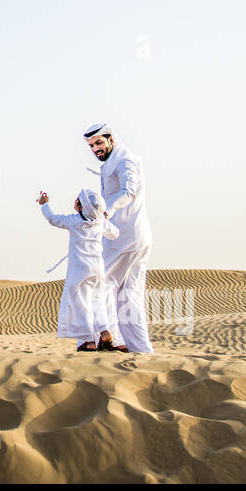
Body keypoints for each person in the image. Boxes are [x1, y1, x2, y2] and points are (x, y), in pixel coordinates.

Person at [81, 122, 154, 353]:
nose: (96, 149)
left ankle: (104, 340)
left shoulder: (124, 160)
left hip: (123, 236)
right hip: (136, 235)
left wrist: (107, 211)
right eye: (92, 146)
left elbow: (129, 191)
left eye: (99, 143)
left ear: (111, 139)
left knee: (97, 284)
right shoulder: (115, 161)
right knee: (129, 297)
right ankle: (140, 350)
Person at [37, 188, 121, 351]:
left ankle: (89, 341)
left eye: (78, 201)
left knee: (81, 304)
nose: (75, 201)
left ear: (82, 207)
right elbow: (115, 233)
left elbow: (53, 219)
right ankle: (105, 333)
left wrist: (44, 205)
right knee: (97, 301)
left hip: (80, 270)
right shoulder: (100, 223)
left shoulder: (74, 221)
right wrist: (104, 218)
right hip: (98, 269)